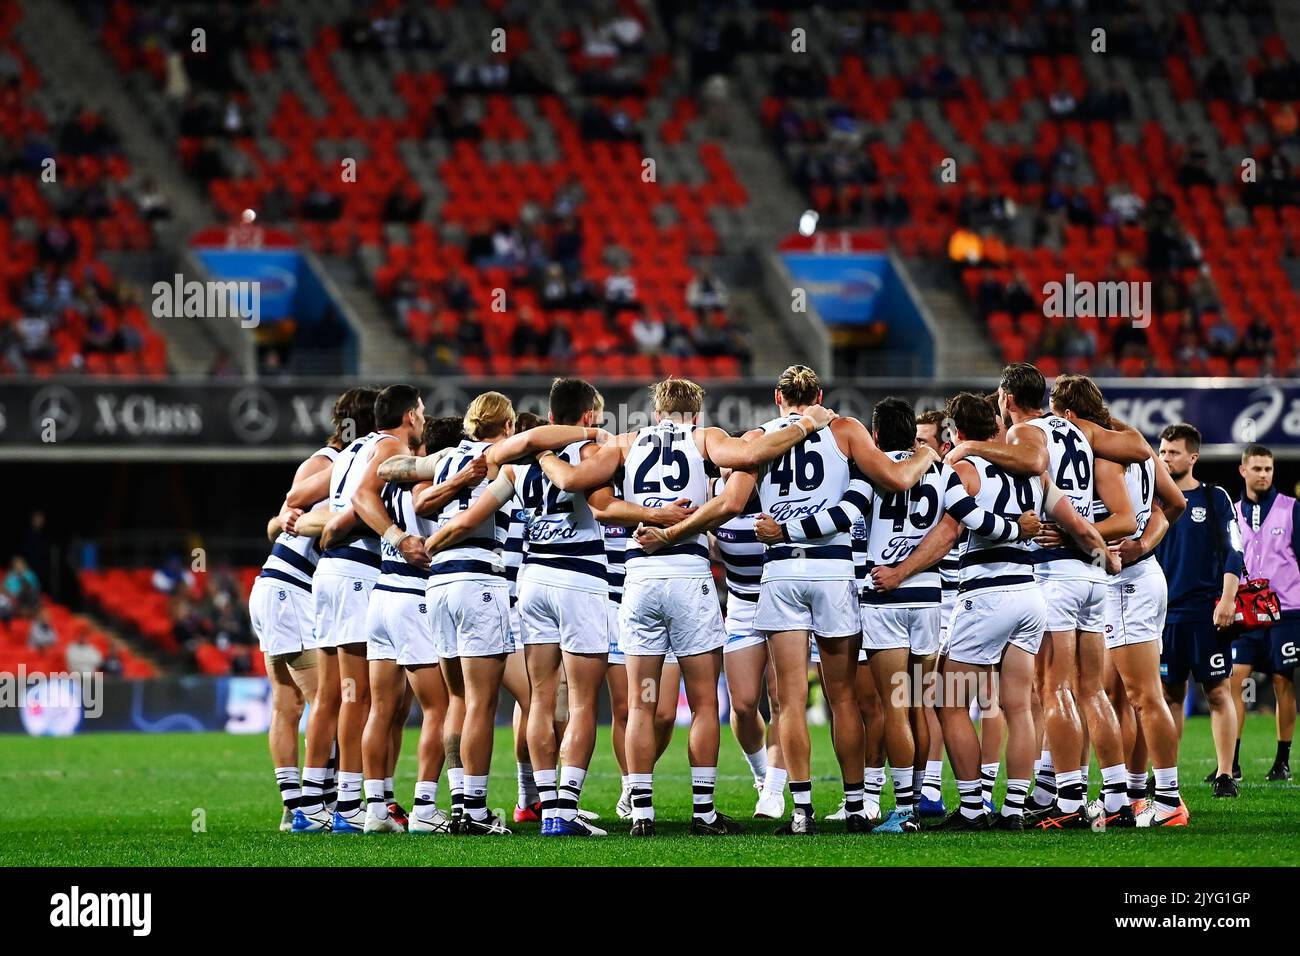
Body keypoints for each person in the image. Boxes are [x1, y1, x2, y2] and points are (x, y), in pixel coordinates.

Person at [536, 376, 834, 834]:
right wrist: (806, 424)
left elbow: (596, 502)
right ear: (696, 412)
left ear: (656, 412)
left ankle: (640, 811)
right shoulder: (705, 437)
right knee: (701, 704)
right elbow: (751, 457)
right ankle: (703, 813)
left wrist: (647, 514)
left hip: (638, 578)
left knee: (639, 704)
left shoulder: (625, 442)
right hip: (689, 577)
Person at [422, 379, 689, 836]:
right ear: (588, 417)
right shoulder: (593, 453)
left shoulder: (516, 465)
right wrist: (659, 516)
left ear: (549, 417)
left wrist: (430, 543)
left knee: (541, 700)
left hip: (532, 581)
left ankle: (544, 806)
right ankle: (564, 810)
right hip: (580, 581)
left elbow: (468, 517)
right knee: (584, 703)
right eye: (598, 417)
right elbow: (603, 507)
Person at [946, 364, 1151, 828]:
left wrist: (973, 445)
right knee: (1090, 688)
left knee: (1053, 687)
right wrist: (1103, 555)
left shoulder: (1028, 432)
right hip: (1088, 572)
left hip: (1054, 574)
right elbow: (1130, 455)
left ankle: (1070, 801)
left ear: (1007, 399)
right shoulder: (1079, 432)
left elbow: (1034, 465)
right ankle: (1117, 800)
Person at [1050, 376, 1190, 827]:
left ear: (1069, 414)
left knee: (1145, 695)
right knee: (1117, 695)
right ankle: (1128, 797)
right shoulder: (1130, 440)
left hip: (1126, 581)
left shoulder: (1104, 450)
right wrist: (1147, 543)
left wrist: (1078, 534)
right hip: (1127, 576)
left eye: (1056, 414)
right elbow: (1174, 503)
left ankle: (1168, 801)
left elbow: (1121, 518)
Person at [263, 386, 374, 833]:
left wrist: (285, 521)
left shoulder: (340, 462)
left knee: (290, 704)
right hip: (291, 586)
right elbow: (285, 514)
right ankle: (316, 805)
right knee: (322, 699)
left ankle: (298, 807)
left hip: (285, 587)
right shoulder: (329, 463)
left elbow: (279, 521)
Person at [1155, 423, 1245, 798]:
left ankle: (1225, 774)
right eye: (1162, 451)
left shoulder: (1214, 498)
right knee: (1169, 697)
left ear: (1192, 457)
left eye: (1173, 452)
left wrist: (1227, 600)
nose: (1165, 458)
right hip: (1162, 613)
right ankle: (1166, 778)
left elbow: (1233, 551)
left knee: (1218, 693)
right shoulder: (1150, 500)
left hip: (1206, 612)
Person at [1232, 444, 1299, 782]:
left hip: (1286, 610)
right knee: (1238, 678)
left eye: (1268, 469)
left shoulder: (1291, 509)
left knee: (1281, 680)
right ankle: (1231, 762)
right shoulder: (1232, 511)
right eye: (1256, 468)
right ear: (1243, 470)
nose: (1263, 474)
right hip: (1246, 611)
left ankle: (1282, 761)